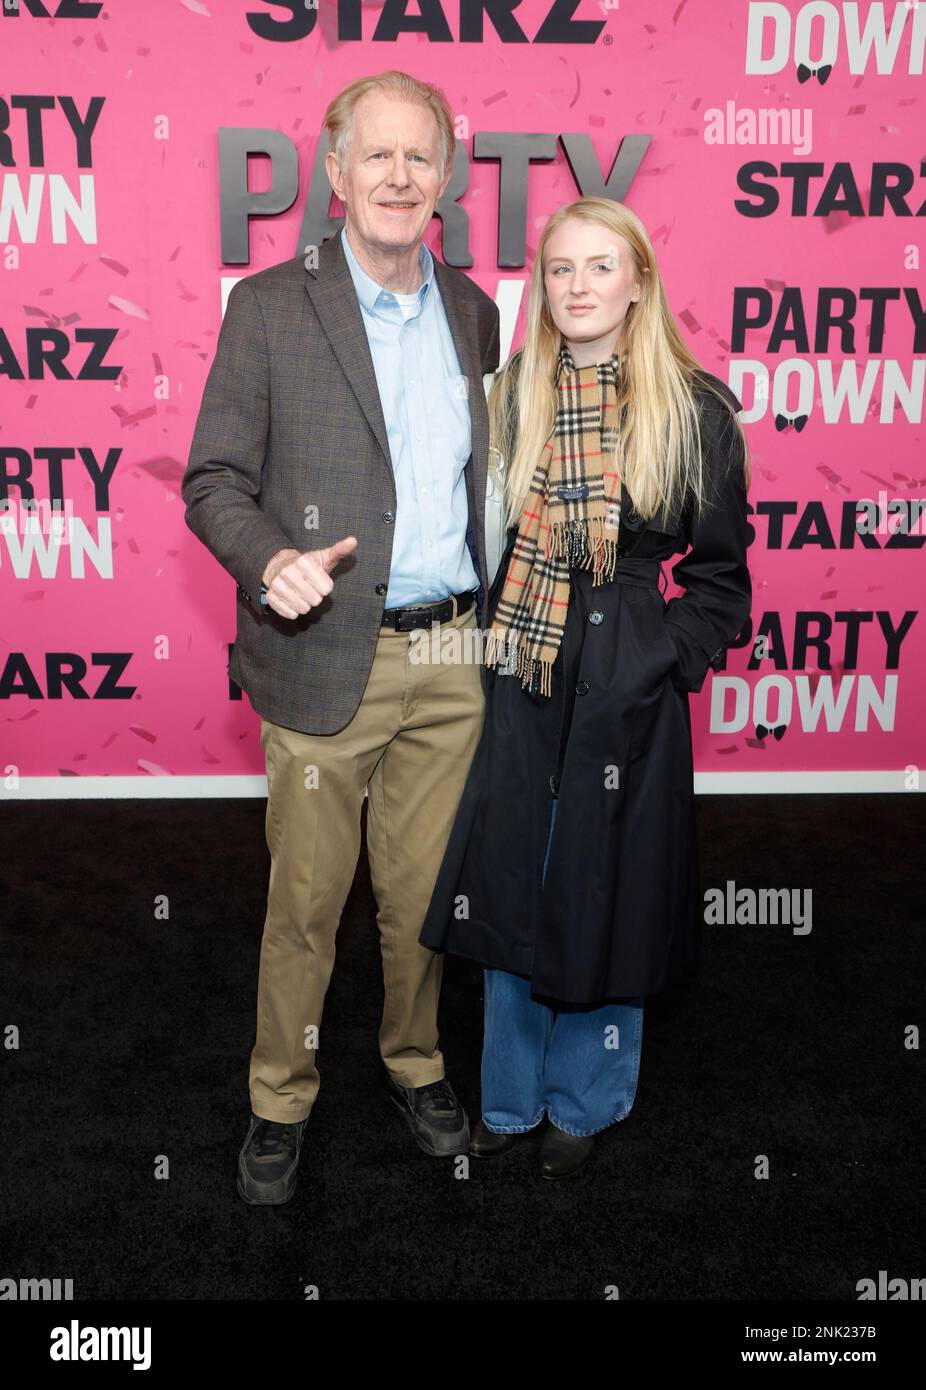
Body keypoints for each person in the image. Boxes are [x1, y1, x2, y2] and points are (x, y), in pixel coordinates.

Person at [181, 70, 500, 1205]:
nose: (399, 177)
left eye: (419, 158)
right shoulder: (270, 306)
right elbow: (213, 477)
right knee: (306, 904)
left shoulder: (475, 310)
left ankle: (415, 1064)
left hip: (454, 660)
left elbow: (488, 485)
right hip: (323, 661)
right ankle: (280, 1095)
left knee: (424, 902)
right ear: (333, 171)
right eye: (377, 155)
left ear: (446, 177)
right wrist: (270, 559)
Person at [419, 195, 752, 1179]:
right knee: (515, 880)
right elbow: (478, 538)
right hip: (521, 671)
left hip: (626, 685)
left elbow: (719, 579)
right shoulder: (510, 393)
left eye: (599, 267)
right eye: (559, 268)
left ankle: (585, 1096)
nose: (576, 286)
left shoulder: (695, 408)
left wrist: (659, 660)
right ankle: (510, 1100)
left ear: (639, 281)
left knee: (610, 887)